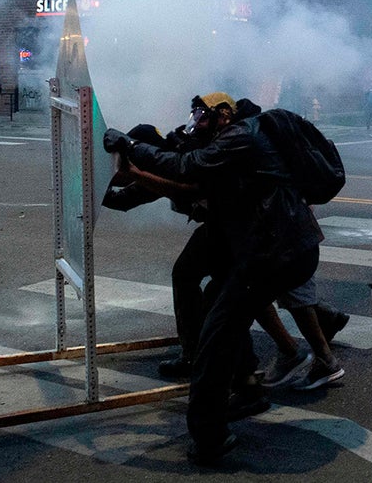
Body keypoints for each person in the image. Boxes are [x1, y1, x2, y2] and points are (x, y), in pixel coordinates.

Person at [110, 91, 326, 465]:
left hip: (276, 250)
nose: (197, 123)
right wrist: (121, 177)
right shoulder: (222, 140)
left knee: (217, 331)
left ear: (224, 114)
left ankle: (210, 435)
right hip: (267, 246)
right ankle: (246, 386)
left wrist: (130, 148)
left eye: (203, 115)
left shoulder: (239, 137)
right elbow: (180, 182)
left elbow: (186, 170)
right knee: (217, 308)